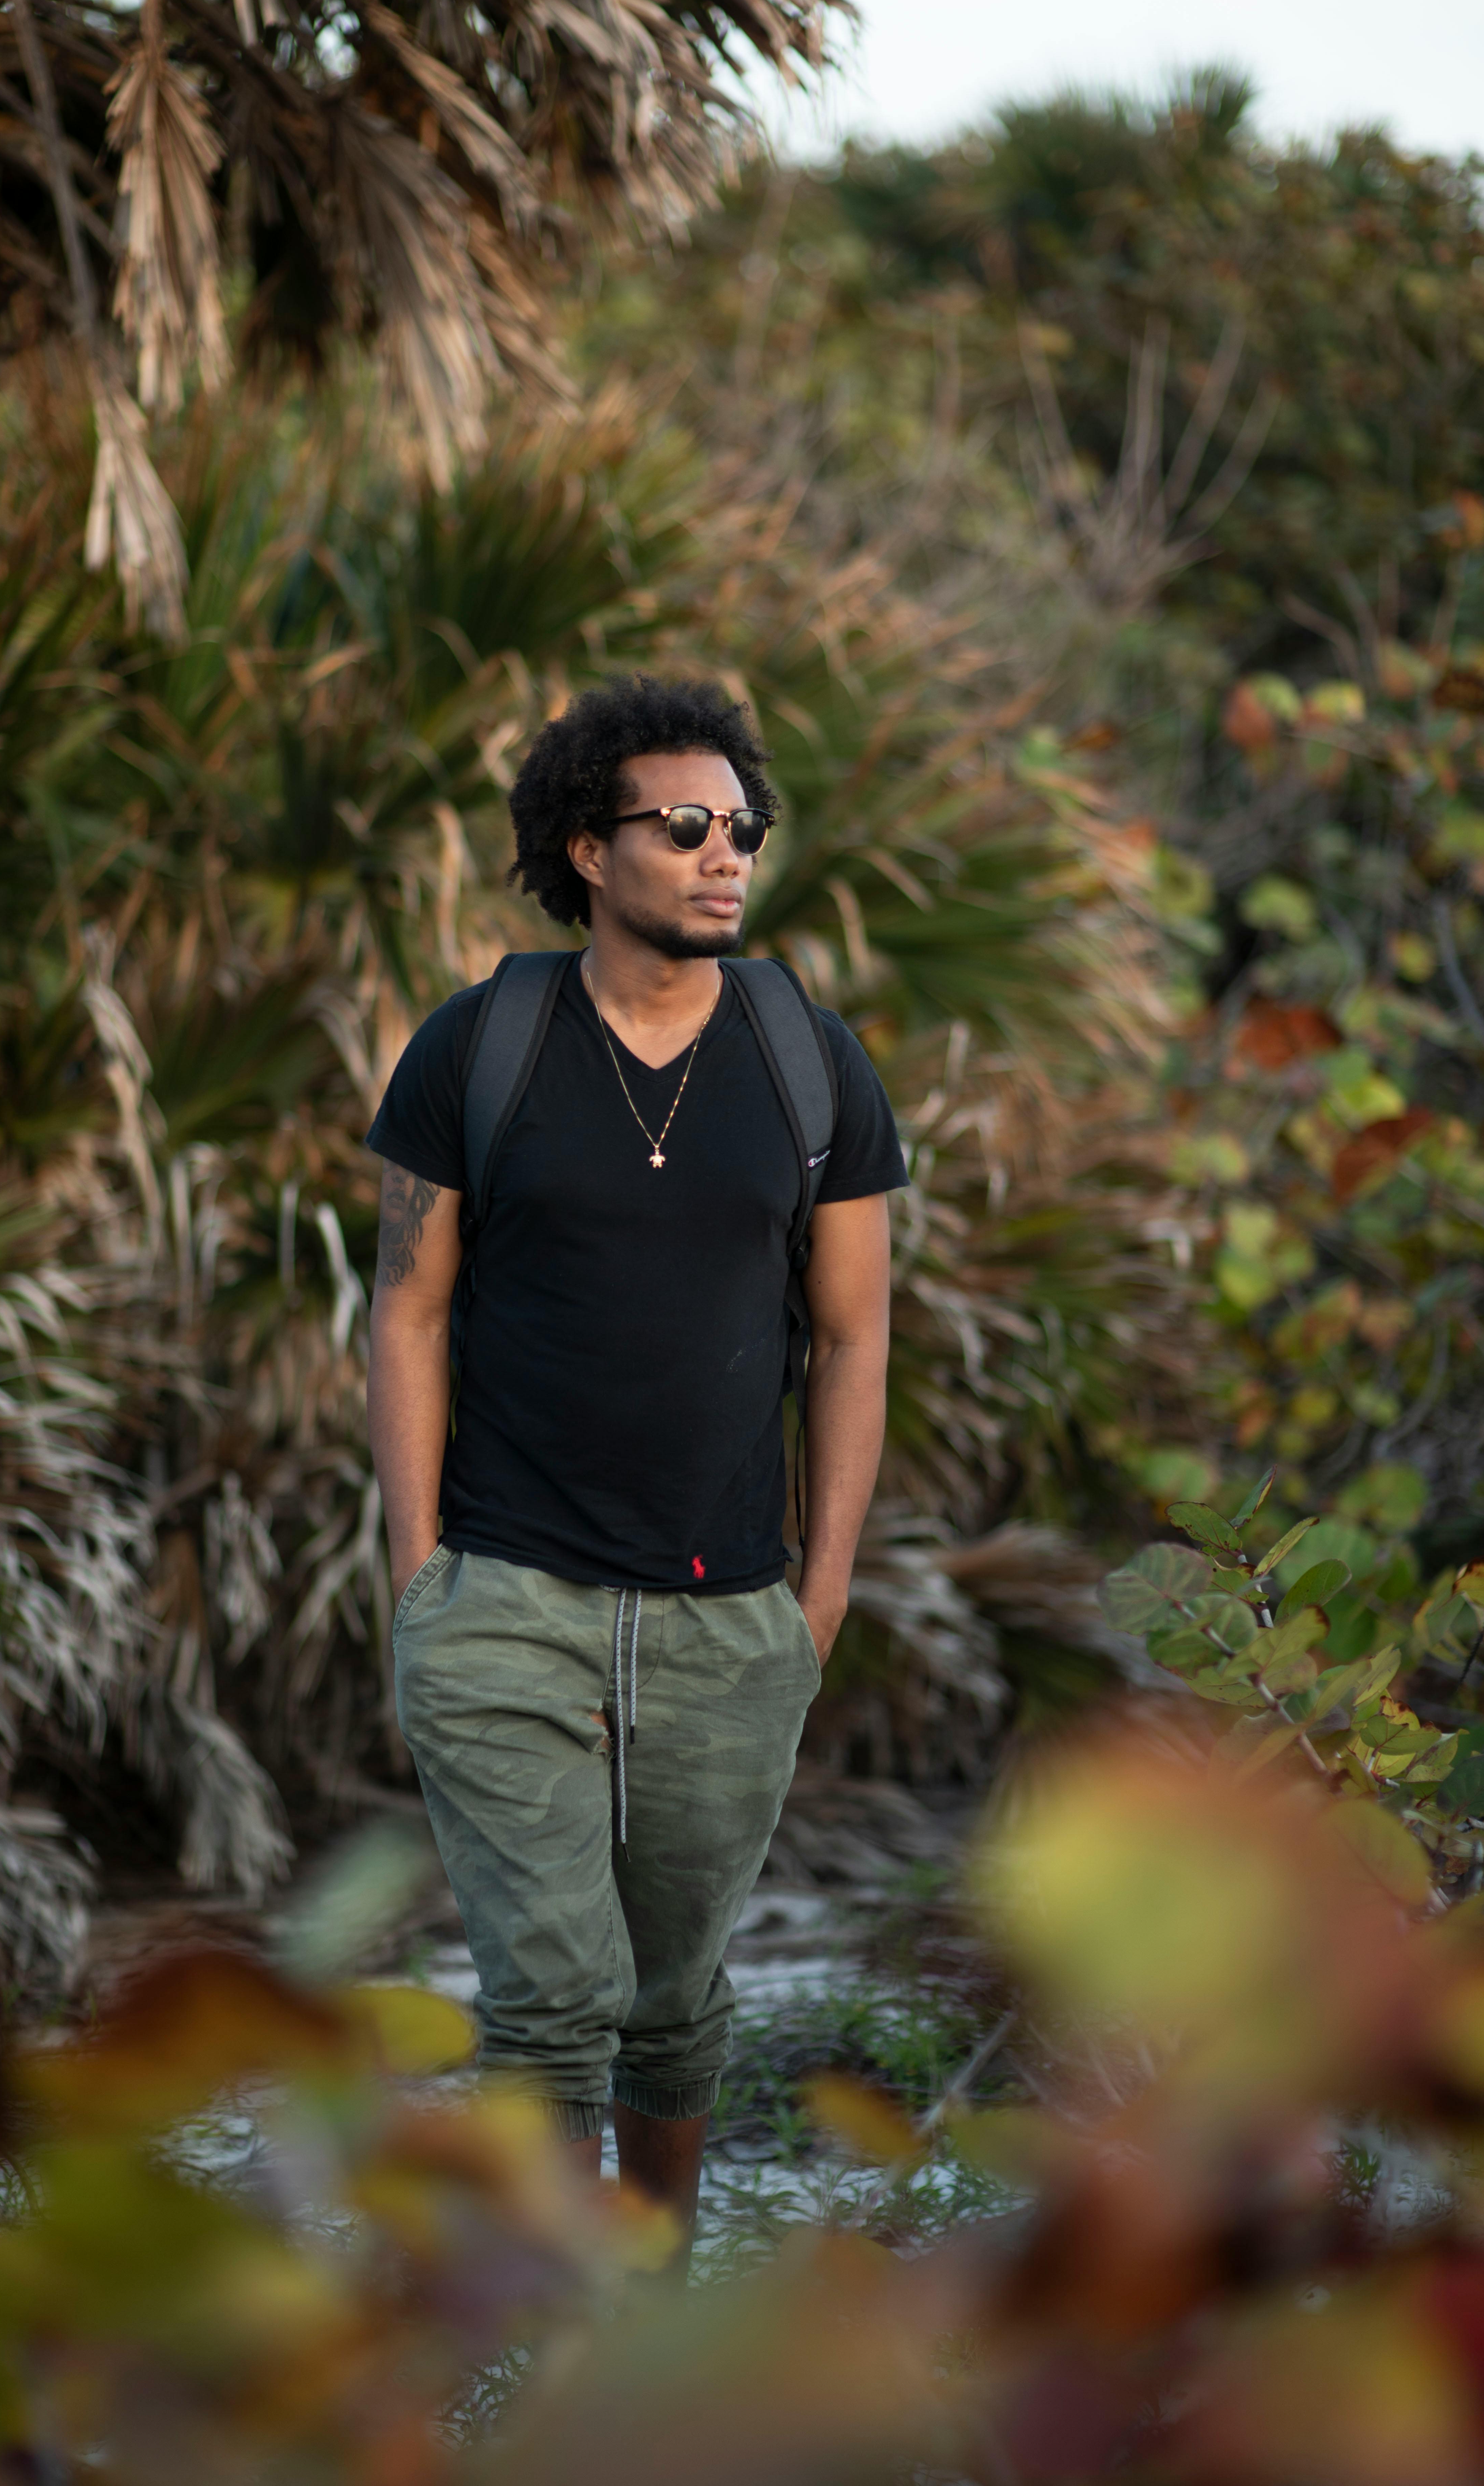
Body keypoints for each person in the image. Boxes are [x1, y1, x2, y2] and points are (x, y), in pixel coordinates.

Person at [364, 672, 905, 2260]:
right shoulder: (482, 1047)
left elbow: (857, 1339)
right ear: (588, 849)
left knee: (671, 2008)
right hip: (504, 1601)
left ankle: (650, 2291)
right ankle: (541, 2339)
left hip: (728, 1615)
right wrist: (418, 1575)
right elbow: (408, 1307)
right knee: (547, 2004)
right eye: (685, 826)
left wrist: (819, 1595)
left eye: (743, 828)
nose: (726, 854)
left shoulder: (813, 1064)